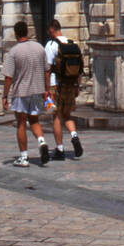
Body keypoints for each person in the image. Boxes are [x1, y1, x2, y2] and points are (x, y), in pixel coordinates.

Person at [2, 21, 51, 167]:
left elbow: (8, 77)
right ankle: (42, 141)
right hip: (37, 89)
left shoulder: (14, 52)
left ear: (16, 33)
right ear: (27, 32)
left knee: (21, 123)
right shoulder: (39, 48)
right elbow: (47, 70)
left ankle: (24, 157)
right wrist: (47, 89)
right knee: (34, 120)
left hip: (21, 91)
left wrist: (5, 96)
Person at [45, 18, 84, 160]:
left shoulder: (51, 45)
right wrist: (77, 86)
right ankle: (74, 136)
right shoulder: (72, 43)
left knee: (56, 116)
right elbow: (80, 69)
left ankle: (60, 149)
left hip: (55, 84)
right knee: (67, 115)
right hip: (70, 83)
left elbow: (47, 69)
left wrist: (46, 89)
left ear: (51, 30)